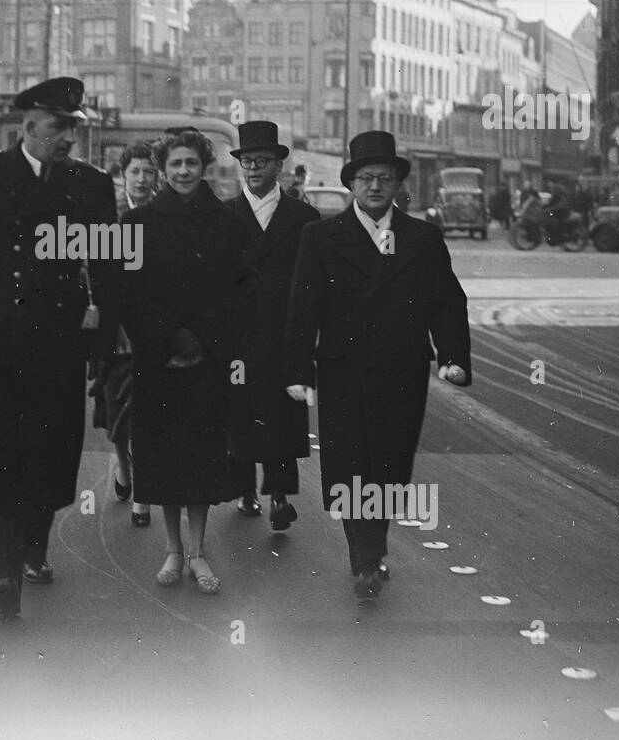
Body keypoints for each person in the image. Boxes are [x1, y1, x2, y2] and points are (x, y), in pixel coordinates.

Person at [0, 77, 120, 618]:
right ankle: (3, 570)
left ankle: (34, 546)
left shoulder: (91, 185)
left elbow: (108, 268)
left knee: (49, 450)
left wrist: (105, 344)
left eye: (74, 130)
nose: (68, 140)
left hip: (59, 343)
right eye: (59, 129)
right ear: (28, 127)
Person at [284, 130, 472, 598]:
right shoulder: (321, 236)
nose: (374, 187)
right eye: (365, 178)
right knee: (349, 463)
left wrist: (452, 357)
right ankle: (365, 555)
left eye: (383, 178)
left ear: (396, 185)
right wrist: (297, 371)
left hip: (402, 370)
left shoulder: (423, 238)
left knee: (389, 464)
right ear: (351, 183)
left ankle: (375, 544)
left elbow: (447, 301)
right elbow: (302, 307)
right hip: (343, 369)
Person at [121, 129, 256, 595]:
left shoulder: (228, 224)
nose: (183, 172)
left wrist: (200, 338)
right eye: (175, 164)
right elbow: (129, 294)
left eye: (191, 164)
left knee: (200, 455)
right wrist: (168, 337)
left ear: (204, 167)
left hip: (207, 357)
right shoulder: (137, 225)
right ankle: (172, 549)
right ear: (163, 169)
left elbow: (240, 291)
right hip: (158, 360)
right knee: (163, 455)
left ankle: (198, 552)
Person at [225, 121, 320, 530]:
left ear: (280, 165)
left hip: (286, 333)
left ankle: (280, 495)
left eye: (261, 161)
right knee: (241, 412)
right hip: (239, 336)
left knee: (282, 412)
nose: (253, 169)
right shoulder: (225, 216)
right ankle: (245, 490)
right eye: (247, 161)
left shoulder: (304, 218)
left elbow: (315, 282)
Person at [92, 141, 157, 527]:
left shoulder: (165, 215)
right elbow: (96, 273)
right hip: (116, 330)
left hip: (152, 328)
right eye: (135, 171)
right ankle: (122, 464)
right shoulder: (109, 217)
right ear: (123, 176)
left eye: (149, 171)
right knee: (114, 407)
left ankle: (143, 498)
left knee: (148, 413)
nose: (143, 179)